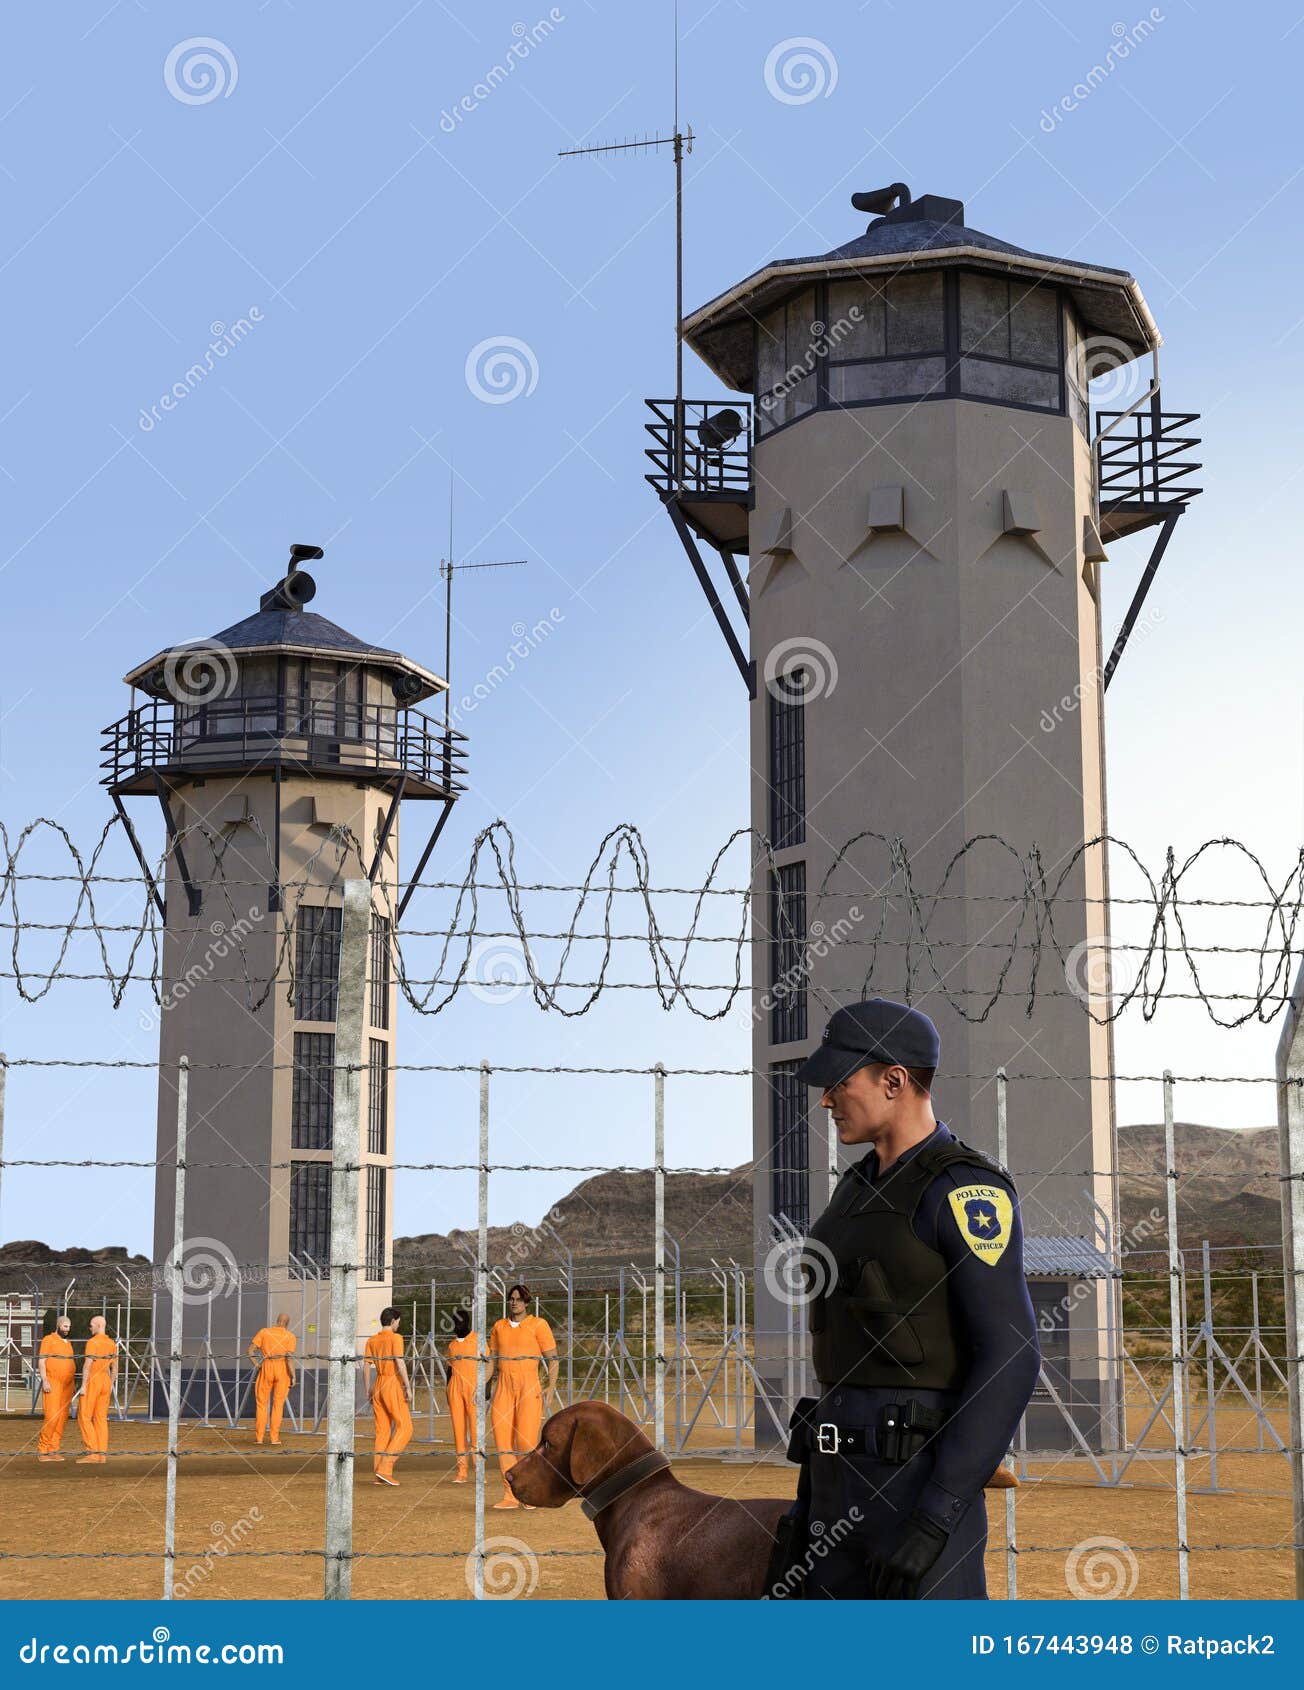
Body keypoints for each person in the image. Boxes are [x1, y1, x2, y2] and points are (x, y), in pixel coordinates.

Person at [778, 998, 1040, 1600]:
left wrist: (935, 1517)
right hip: (833, 1489)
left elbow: (1011, 1353)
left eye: (840, 1083)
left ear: (894, 1080)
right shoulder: (852, 1189)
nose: (825, 1100)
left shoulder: (967, 1190)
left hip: (916, 1490)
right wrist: (809, 1504)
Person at [486, 1283, 558, 1511]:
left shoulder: (538, 1325)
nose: (514, 1302)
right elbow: (492, 1362)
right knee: (503, 1443)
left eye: (518, 1299)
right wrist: (482, 1386)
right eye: (511, 1298)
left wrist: (550, 1387)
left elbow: (553, 1360)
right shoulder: (498, 1327)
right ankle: (510, 1495)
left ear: (527, 1302)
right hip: (503, 1388)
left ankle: (529, 1492)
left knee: (525, 1442)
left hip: (529, 1387)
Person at [363, 1307, 412, 1488]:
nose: (399, 1324)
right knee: (405, 1427)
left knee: (382, 1431)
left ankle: (378, 1473)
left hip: (378, 1384)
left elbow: (367, 1366)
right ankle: (385, 1468)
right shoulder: (396, 1338)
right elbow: (399, 1361)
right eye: (398, 1321)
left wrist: (368, 1389)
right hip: (392, 1383)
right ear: (393, 1321)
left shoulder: (372, 1340)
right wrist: (407, 1386)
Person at [72, 1315, 118, 1466]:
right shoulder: (112, 1343)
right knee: (100, 1418)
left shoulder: (92, 1342)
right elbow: (115, 1368)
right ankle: (101, 1455)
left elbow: (87, 1365)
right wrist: (110, 1385)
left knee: (84, 1416)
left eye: (91, 1325)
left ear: (99, 1325)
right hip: (105, 1380)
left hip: (94, 1380)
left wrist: (84, 1385)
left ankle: (92, 1453)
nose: (90, 1327)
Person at [247, 1313, 297, 1445]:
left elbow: (250, 1351)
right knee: (278, 1405)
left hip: (267, 1366)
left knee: (261, 1404)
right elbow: (289, 1358)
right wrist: (293, 1376)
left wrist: (257, 1365)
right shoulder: (290, 1336)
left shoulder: (264, 1332)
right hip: (282, 1370)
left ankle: (259, 1438)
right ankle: (274, 1439)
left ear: (277, 1321)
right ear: (287, 1323)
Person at [36, 1314, 76, 1462]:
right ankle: (42, 1450)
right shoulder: (48, 1340)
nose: (67, 1329)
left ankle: (54, 1449)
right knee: (52, 1416)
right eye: (65, 1326)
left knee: (62, 1418)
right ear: (58, 1325)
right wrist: (45, 1379)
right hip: (53, 1382)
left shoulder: (68, 1343)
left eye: (69, 1327)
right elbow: (42, 1361)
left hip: (67, 1385)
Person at [446, 1308, 478, 1484]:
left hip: (473, 1389)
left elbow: (487, 1367)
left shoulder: (478, 1341)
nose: (458, 1325)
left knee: (475, 1431)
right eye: (455, 1322)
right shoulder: (452, 1346)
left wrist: (484, 1390)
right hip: (455, 1390)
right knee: (459, 1432)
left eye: (461, 1322)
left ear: (468, 1323)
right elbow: (450, 1369)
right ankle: (462, 1472)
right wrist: (447, 1390)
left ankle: (479, 1470)